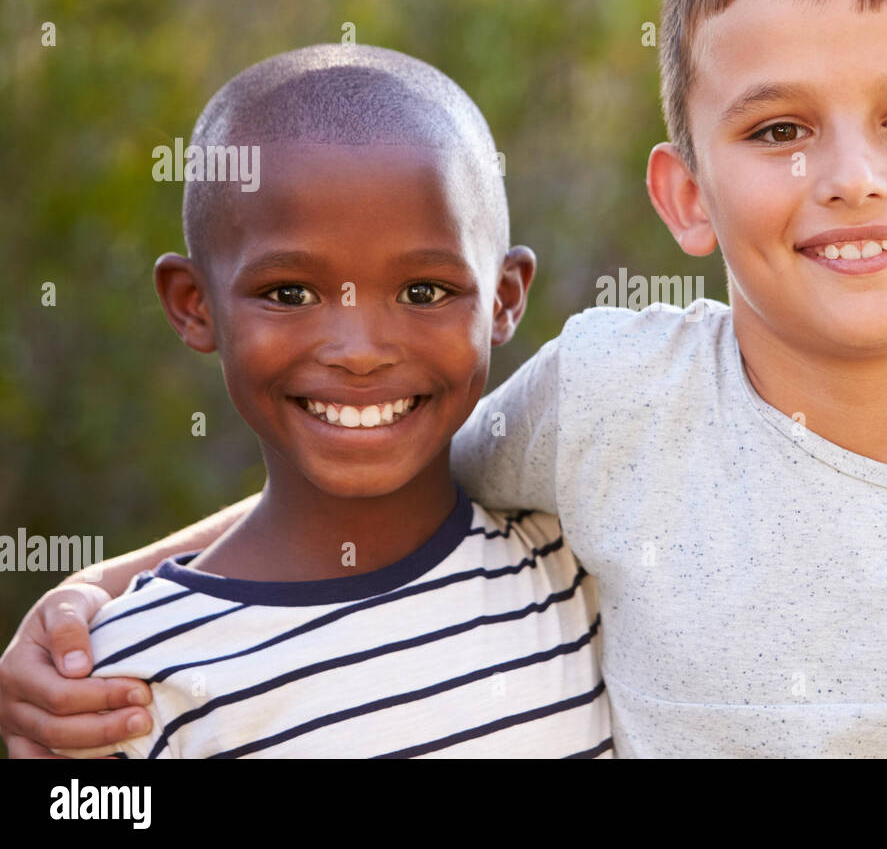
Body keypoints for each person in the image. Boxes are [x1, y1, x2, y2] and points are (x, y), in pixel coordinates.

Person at [0, 0, 887, 757]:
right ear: (685, 194)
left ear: (503, 298)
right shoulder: (608, 418)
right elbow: (391, 457)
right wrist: (96, 585)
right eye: (778, 130)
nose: (851, 177)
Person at [23, 44, 612, 757]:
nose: (360, 350)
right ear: (194, 305)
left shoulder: (582, 564)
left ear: (503, 298)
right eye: (289, 293)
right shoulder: (125, 680)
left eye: (424, 291)